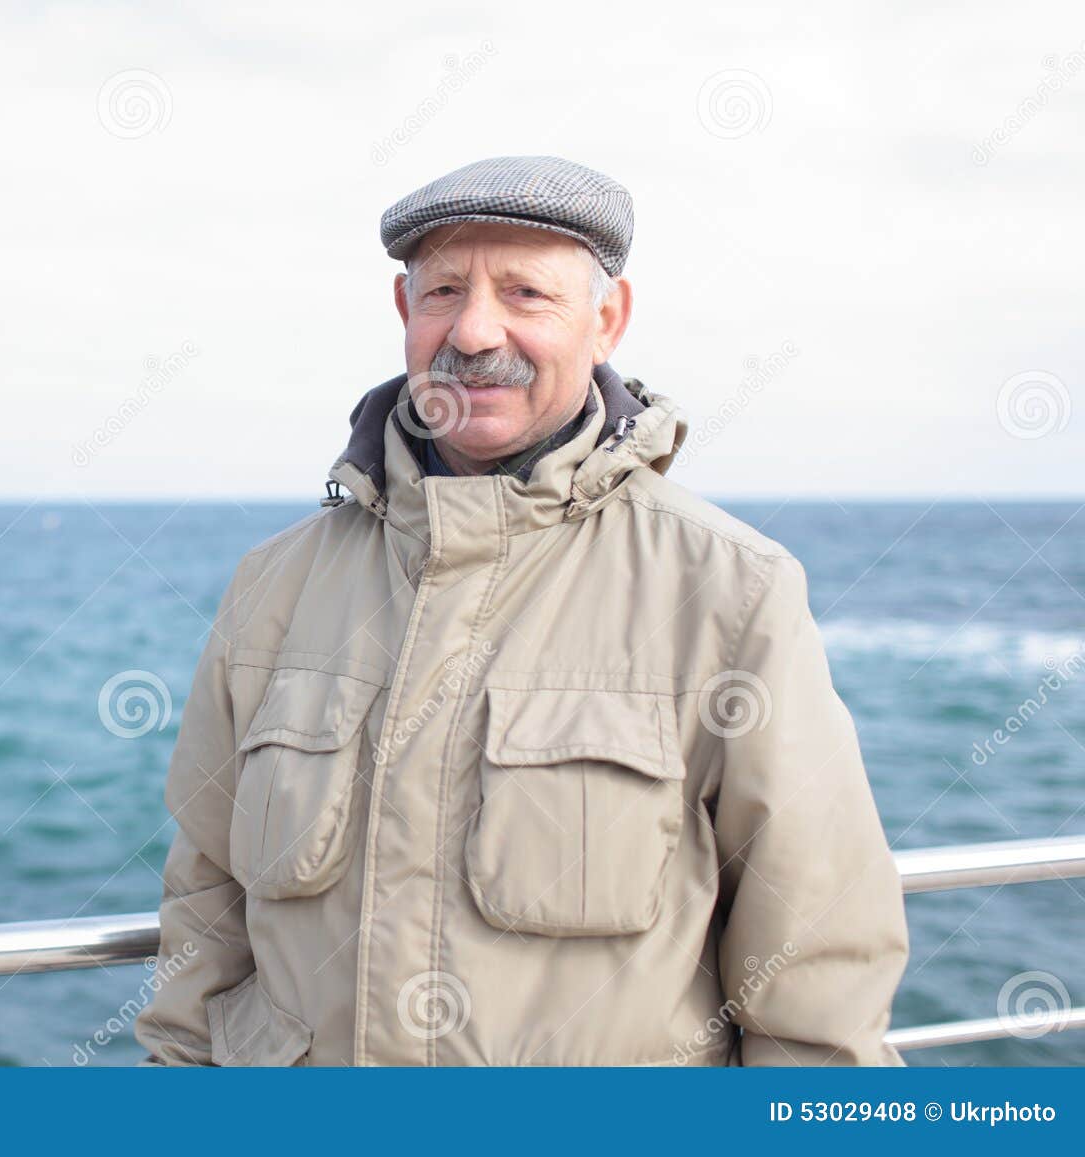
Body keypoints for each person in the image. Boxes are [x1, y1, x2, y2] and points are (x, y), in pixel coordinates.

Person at [133, 155, 910, 1066]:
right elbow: (206, 910)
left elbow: (813, 976)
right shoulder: (272, 587)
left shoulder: (731, 590)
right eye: (445, 291)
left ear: (606, 321)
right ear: (403, 312)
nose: (474, 330)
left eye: (526, 293)